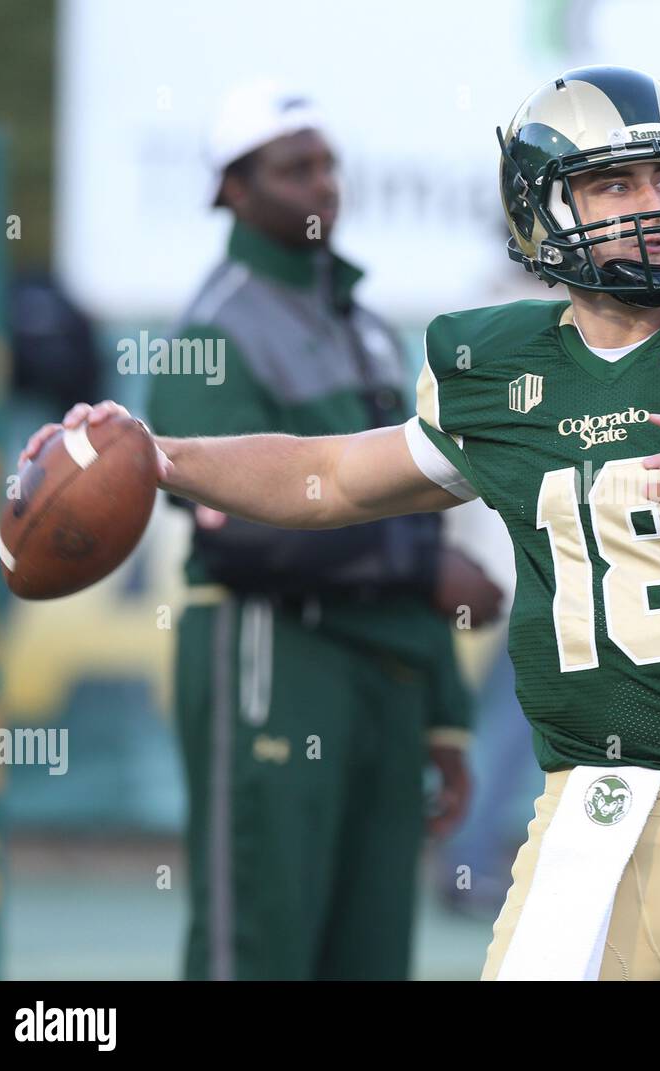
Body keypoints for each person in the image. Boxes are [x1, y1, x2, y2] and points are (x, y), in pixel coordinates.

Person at [23, 65, 660, 981]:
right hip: (597, 818)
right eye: (617, 186)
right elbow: (329, 475)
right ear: (544, 209)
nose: (655, 206)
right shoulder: (492, 367)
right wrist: (163, 455)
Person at [146, 82, 501, 980]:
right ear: (233, 188)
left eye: (328, 162)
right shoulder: (213, 329)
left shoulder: (366, 326)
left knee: (373, 954)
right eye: (293, 167)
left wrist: (444, 721)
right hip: (272, 664)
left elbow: (405, 516)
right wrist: (422, 567)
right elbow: (237, 534)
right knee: (259, 946)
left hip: (383, 680)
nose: (323, 184)